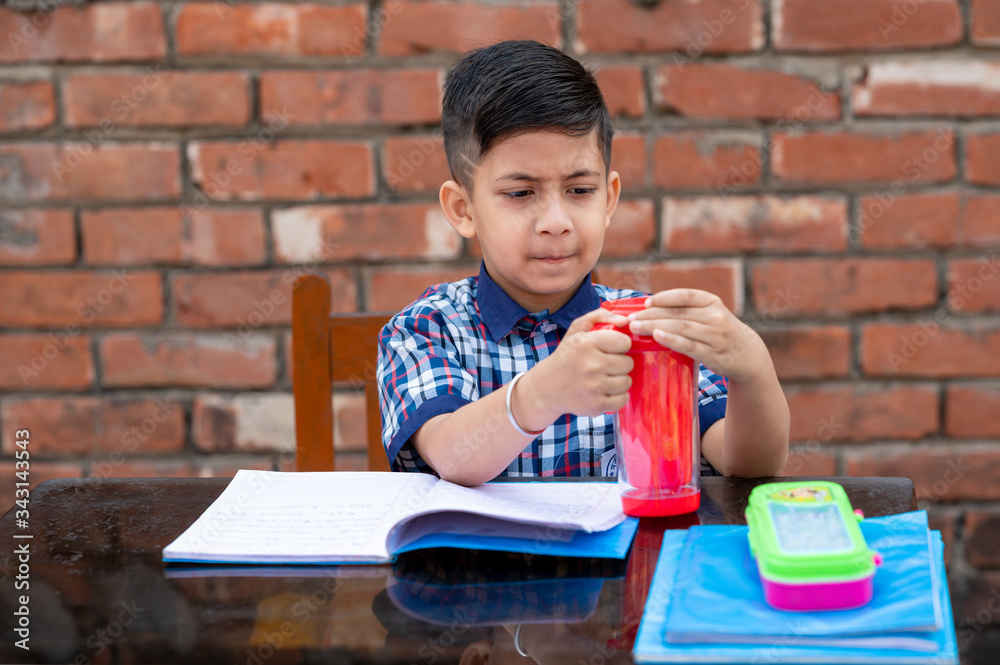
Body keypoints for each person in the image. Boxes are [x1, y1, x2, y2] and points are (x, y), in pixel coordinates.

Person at [377, 40, 789, 486]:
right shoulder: (426, 328)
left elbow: (749, 466)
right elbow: (452, 457)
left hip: (632, 556)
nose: (556, 222)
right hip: (476, 559)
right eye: (520, 193)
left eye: (579, 191)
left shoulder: (650, 330)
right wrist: (542, 391)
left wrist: (753, 369)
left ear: (609, 198)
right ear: (463, 209)